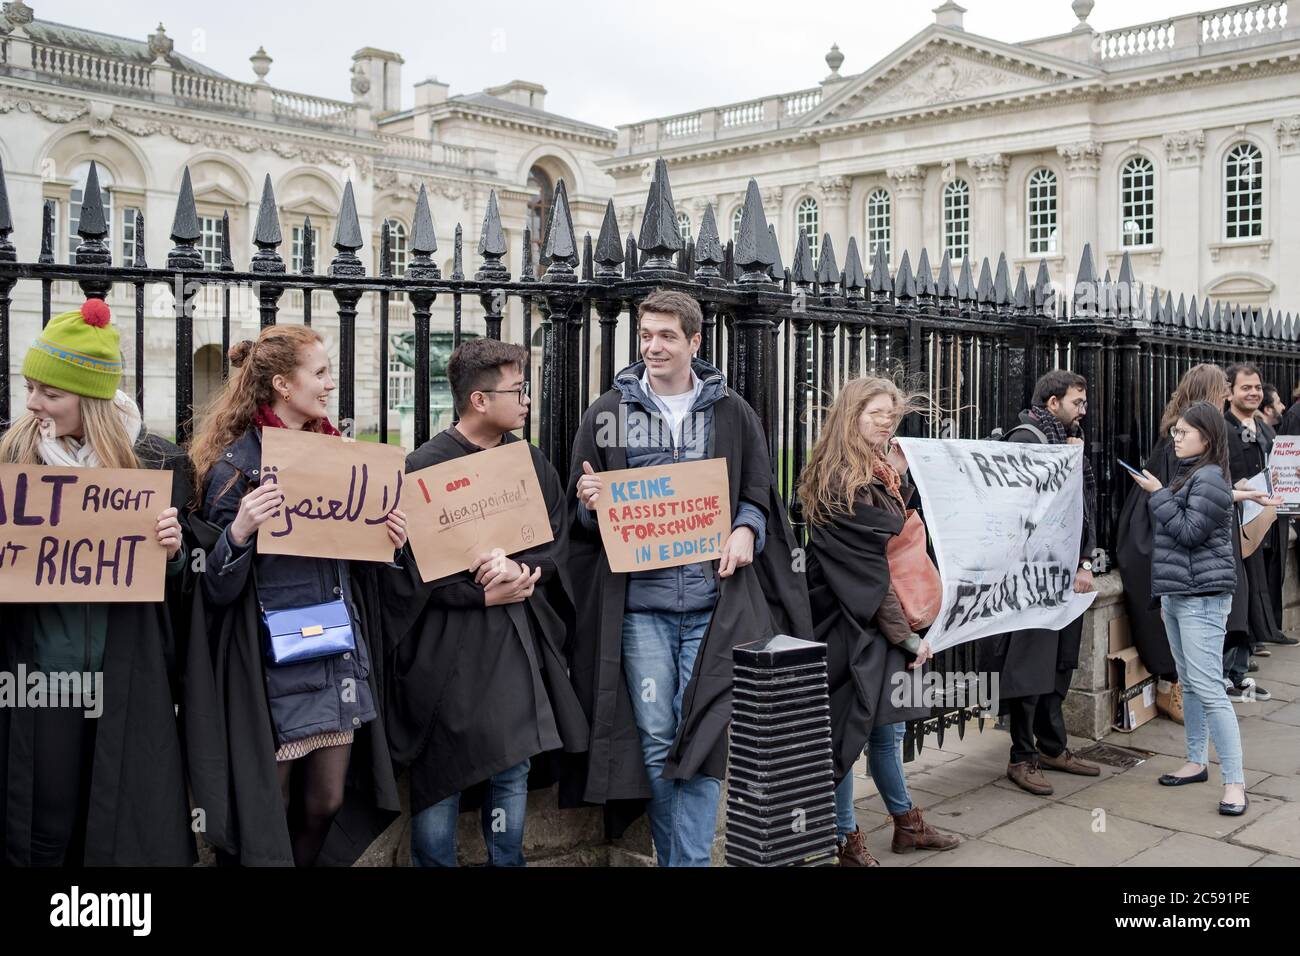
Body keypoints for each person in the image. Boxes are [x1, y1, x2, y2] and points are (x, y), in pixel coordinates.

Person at [566, 289, 812, 867]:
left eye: (666, 336)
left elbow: (758, 491)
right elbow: (578, 511)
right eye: (646, 335)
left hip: (712, 604)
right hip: (641, 610)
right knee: (656, 737)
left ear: (694, 342)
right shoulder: (608, 414)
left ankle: (690, 862)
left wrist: (746, 530)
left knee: (706, 735)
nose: (653, 346)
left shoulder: (732, 411)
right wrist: (590, 501)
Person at [187, 325, 403, 866]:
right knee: (268, 805)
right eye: (321, 373)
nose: (331, 384)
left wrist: (389, 539)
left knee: (326, 800)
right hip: (271, 661)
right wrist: (238, 533)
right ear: (283, 384)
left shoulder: (340, 457)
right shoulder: (235, 469)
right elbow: (212, 589)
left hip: (335, 647)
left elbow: (357, 565)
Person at [0, 300, 195, 865]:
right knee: (46, 825)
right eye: (30, 387)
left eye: (50, 393)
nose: (33, 403)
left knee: (115, 826)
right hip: (44, 678)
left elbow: (180, 586)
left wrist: (175, 552)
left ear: (90, 399)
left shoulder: (153, 464)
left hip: (126, 676)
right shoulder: (13, 458)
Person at [381, 338, 587, 867]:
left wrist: (525, 571)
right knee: (442, 769)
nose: (526, 401)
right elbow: (411, 566)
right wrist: (477, 594)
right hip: (449, 648)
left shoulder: (530, 461)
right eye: (517, 390)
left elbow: (554, 542)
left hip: (516, 638)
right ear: (478, 400)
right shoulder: (423, 466)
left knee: (512, 763)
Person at [797, 377, 960, 867]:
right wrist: (907, 636)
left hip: (875, 621)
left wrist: (901, 477)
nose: (886, 422)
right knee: (847, 730)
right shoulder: (838, 480)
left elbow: (893, 540)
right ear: (851, 415)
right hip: (848, 623)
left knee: (886, 730)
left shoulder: (876, 470)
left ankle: (906, 824)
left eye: (891, 415)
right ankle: (845, 840)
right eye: (876, 414)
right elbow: (872, 572)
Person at [1126, 401, 1249, 816]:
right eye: (1175, 432)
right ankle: (1196, 761)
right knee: (1192, 684)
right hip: (1180, 596)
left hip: (1203, 600)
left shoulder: (1209, 476)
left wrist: (1157, 494)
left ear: (1206, 438)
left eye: (1183, 433)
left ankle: (1235, 783)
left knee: (1211, 689)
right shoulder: (1193, 474)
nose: (1175, 439)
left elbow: (1189, 532)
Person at [1115, 365, 1253, 723]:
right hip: (1168, 528)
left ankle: (1192, 687)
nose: (1227, 396)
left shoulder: (1201, 431)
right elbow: (1179, 497)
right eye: (1223, 389)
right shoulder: (1185, 434)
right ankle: (1177, 686)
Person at [988, 370, 1100, 795]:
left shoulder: (1064, 443)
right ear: (1052, 403)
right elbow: (1027, 510)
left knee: (1059, 664)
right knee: (1029, 669)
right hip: (1032, 577)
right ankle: (1022, 757)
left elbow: (1083, 509)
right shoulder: (1027, 440)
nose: (1083, 410)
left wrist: (1085, 559)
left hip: (1065, 573)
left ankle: (1052, 747)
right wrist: (1068, 466)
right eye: (1077, 402)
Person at [1223, 364, 1294, 706]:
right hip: (1236, 525)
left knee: (1253, 597)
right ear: (1230, 392)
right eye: (1245, 388)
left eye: (1256, 388)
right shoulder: (1224, 428)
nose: (1252, 393)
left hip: (1266, 523)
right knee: (1236, 602)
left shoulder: (1265, 428)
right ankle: (1227, 674)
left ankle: (1240, 670)